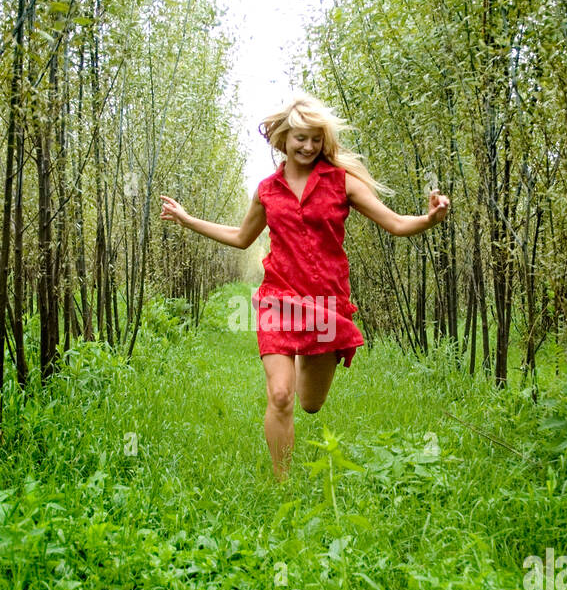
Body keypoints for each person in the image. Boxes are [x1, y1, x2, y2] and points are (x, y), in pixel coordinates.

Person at [160, 92, 449, 480]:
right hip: (277, 300)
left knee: (310, 403)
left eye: (316, 138)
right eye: (301, 138)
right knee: (280, 395)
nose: (309, 146)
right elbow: (242, 237)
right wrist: (188, 219)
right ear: (283, 138)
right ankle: (282, 483)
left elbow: (396, 224)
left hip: (326, 305)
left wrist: (429, 219)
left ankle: (302, 357)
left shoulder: (341, 183)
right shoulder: (267, 190)